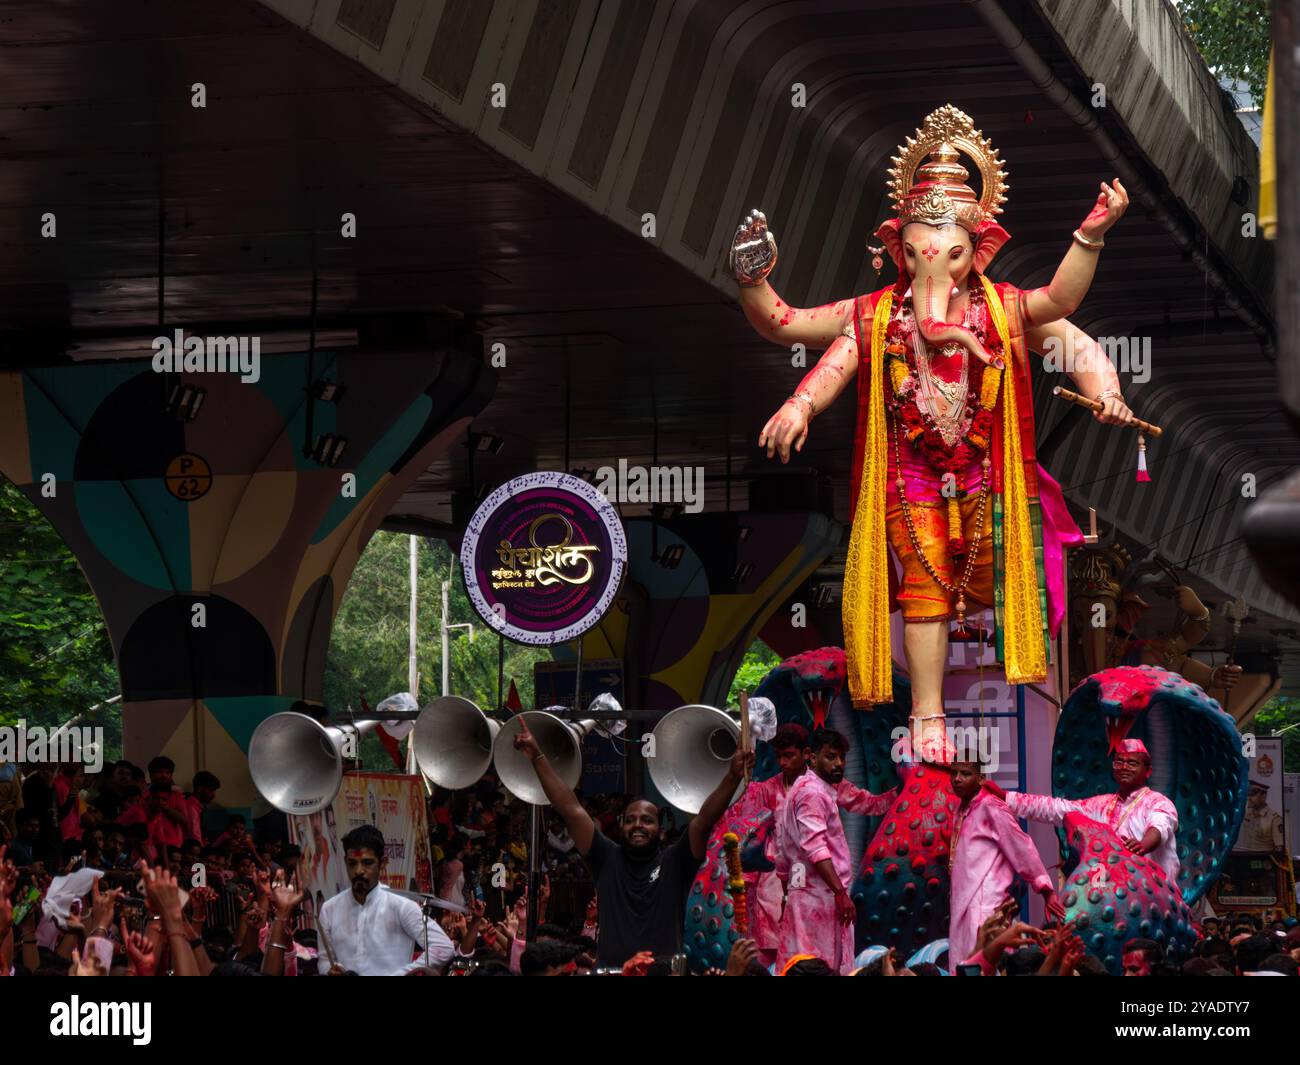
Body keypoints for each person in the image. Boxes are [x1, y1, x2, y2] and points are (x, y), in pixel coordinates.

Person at [512, 716, 752, 968]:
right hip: (613, 971)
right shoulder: (605, 857)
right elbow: (571, 809)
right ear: (621, 825)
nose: (638, 825)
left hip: (664, 973)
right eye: (631, 819)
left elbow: (703, 820)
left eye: (647, 820)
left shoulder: (676, 861)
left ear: (660, 830)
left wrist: (733, 776)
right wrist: (537, 756)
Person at [772, 728, 897, 974]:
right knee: (821, 967)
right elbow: (815, 848)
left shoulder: (810, 786)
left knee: (802, 964)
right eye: (831, 757)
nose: (839, 763)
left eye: (841, 757)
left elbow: (783, 855)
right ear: (811, 757)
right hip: (820, 899)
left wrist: (901, 793)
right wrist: (840, 893)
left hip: (806, 897)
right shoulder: (812, 793)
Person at [985, 738, 1179, 883]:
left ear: (1148, 771)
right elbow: (1056, 808)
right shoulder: (1100, 805)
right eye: (1119, 762)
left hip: (1153, 897)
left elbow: (1161, 826)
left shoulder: (1158, 802)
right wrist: (1007, 797)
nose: (1124, 767)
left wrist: (1144, 844)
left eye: (1132, 763)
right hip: (1108, 895)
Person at [947, 758, 1063, 973]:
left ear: (981, 778)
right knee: (965, 961)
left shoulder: (992, 806)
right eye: (953, 773)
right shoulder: (960, 808)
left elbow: (1021, 846)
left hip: (984, 901)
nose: (957, 779)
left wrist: (1045, 889)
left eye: (965, 774)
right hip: (963, 901)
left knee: (986, 959)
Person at [316, 824, 453, 975]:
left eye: (367, 863)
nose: (358, 871)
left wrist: (404, 974)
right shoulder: (329, 909)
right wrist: (329, 970)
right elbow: (323, 960)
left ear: (383, 863)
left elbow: (443, 947)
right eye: (352, 863)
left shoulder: (400, 905)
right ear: (345, 862)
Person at [117, 756, 194, 858]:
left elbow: (184, 820)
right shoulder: (144, 795)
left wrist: (162, 806)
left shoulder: (176, 795)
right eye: (160, 772)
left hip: (173, 846)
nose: (164, 775)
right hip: (148, 846)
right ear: (151, 774)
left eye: (167, 773)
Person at [1235, 779, 1285, 854]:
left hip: (1263, 860)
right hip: (1244, 858)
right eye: (1248, 795)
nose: (1249, 798)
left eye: (1253, 795)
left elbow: (1279, 848)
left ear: (1263, 796)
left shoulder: (1274, 819)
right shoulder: (1247, 814)